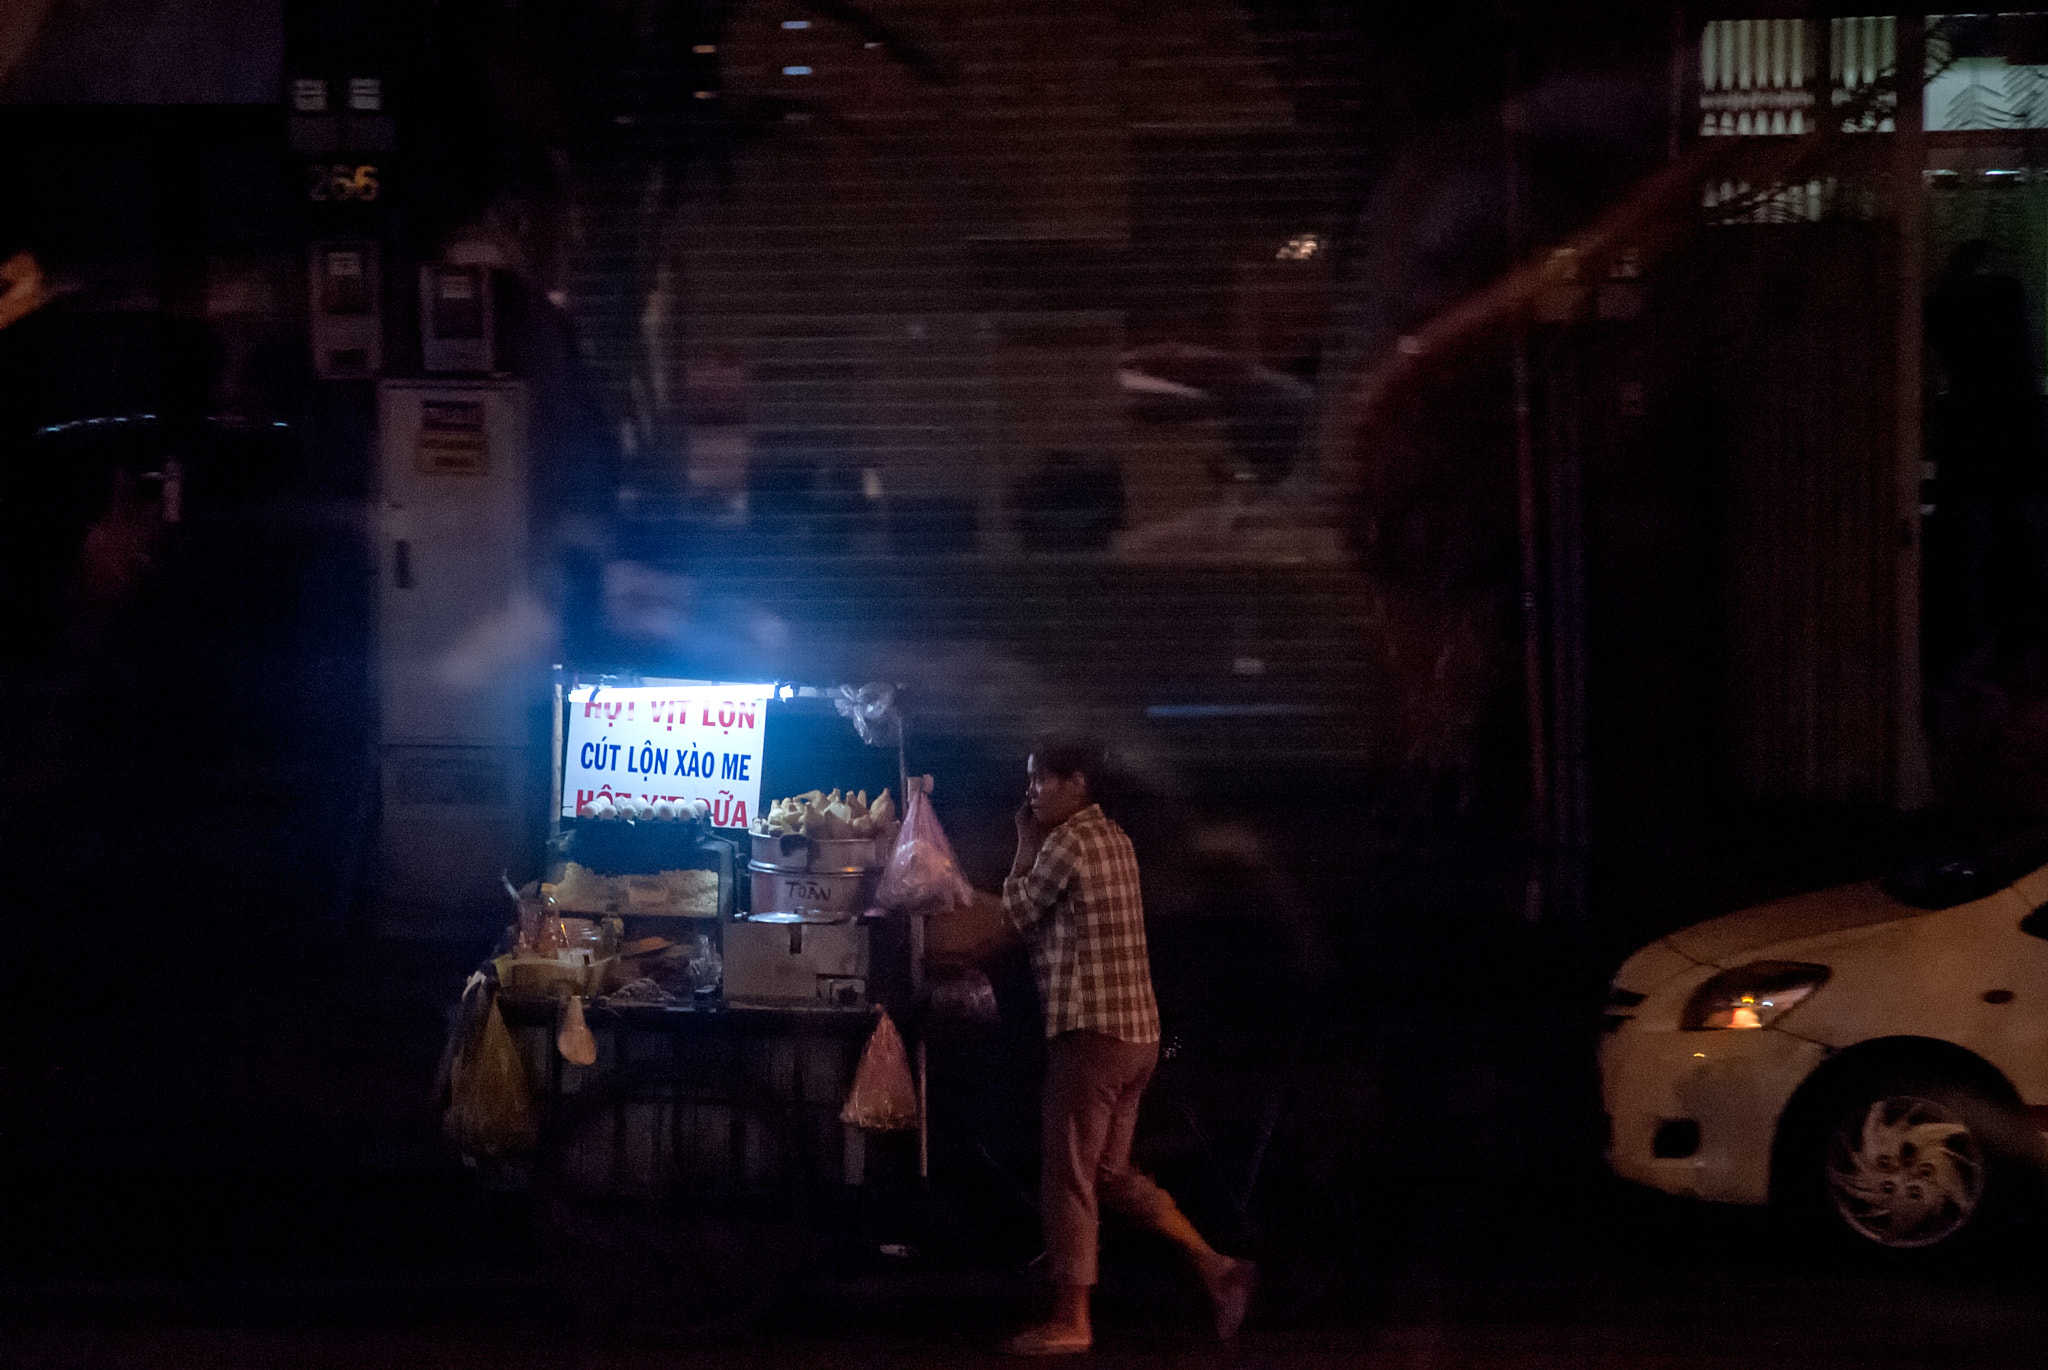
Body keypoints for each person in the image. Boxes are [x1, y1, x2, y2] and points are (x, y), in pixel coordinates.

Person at [998, 735, 1257, 1356]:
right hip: (1138, 1034)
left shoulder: (1065, 843)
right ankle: (1218, 1268)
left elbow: (1016, 913)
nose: (1031, 792)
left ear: (1078, 782)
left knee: (1070, 1178)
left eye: (1042, 780)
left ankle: (1071, 1320)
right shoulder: (1116, 838)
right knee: (1110, 1174)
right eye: (1030, 779)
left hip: (1092, 1036)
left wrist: (1023, 846)